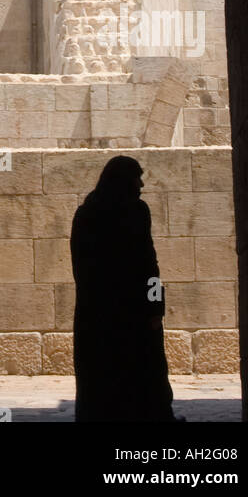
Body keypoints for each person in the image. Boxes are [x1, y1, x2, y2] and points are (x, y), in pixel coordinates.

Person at [70, 154, 181, 422]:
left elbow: (83, 270)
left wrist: (155, 305)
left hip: (99, 314)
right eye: (137, 177)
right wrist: (154, 307)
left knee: (103, 376)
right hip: (132, 313)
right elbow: (148, 264)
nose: (141, 184)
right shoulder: (135, 212)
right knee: (143, 373)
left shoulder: (87, 213)